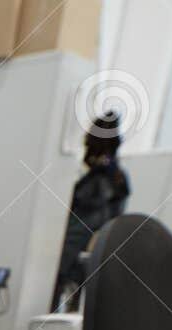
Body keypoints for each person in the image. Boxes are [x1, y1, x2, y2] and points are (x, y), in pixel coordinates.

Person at [52, 112, 131, 311]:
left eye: (88, 142)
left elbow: (80, 225)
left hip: (74, 252)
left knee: (62, 300)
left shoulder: (98, 182)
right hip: (90, 253)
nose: (85, 145)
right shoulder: (115, 177)